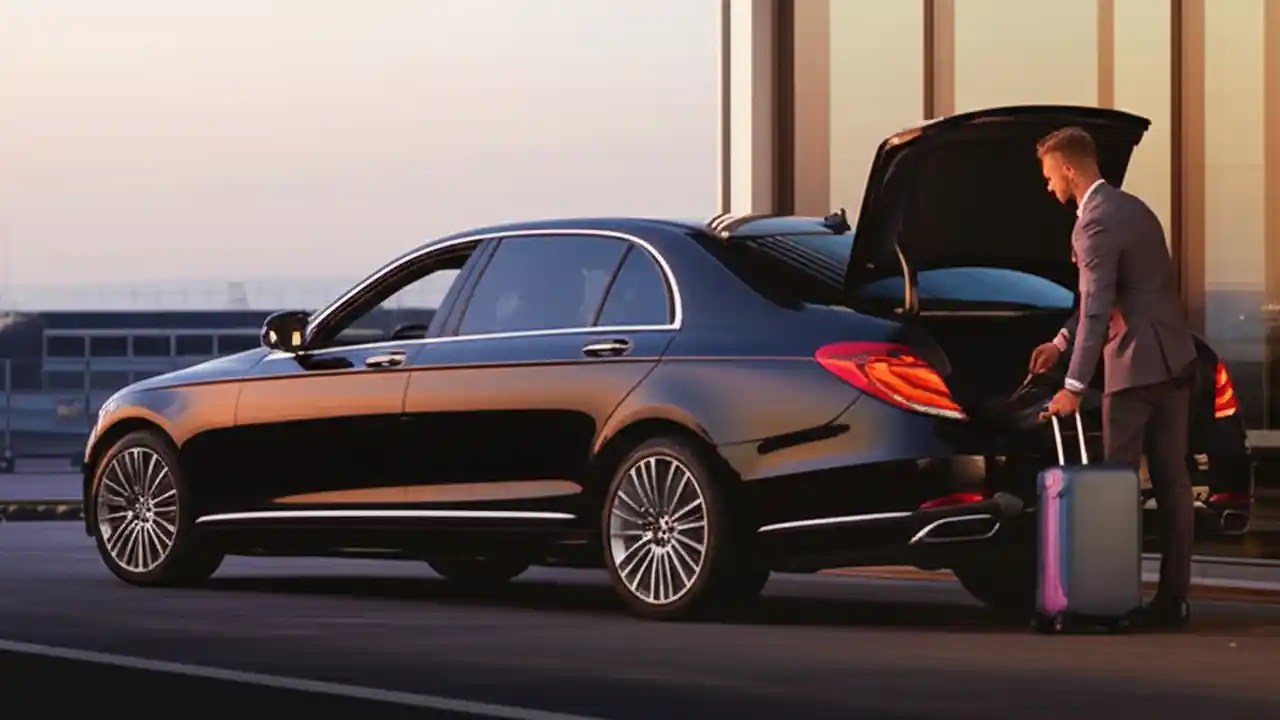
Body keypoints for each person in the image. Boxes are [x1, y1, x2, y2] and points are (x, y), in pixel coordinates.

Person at [1028, 126, 1198, 628]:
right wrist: (1059, 345)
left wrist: (1072, 388)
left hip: (1132, 368)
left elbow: (1098, 308)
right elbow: (1121, 294)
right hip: (1176, 361)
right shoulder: (1135, 208)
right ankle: (1173, 601)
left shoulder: (1094, 223)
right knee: (1173, 483)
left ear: (1069, 170)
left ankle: (1112, 601)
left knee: (1118, 486)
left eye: (1048, 176)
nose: (1047, 187)